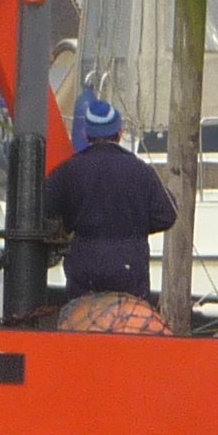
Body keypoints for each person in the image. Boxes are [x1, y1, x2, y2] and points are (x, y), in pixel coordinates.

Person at [44, 93, 176, 302]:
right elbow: (167, 215)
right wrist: (137, 225)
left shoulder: (68, 171)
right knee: (129, 325)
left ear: (86, 134)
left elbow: (46, 207)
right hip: (129, 265)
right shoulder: (141, 171)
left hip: (85, 262)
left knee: (83, 323)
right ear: (120, 132)